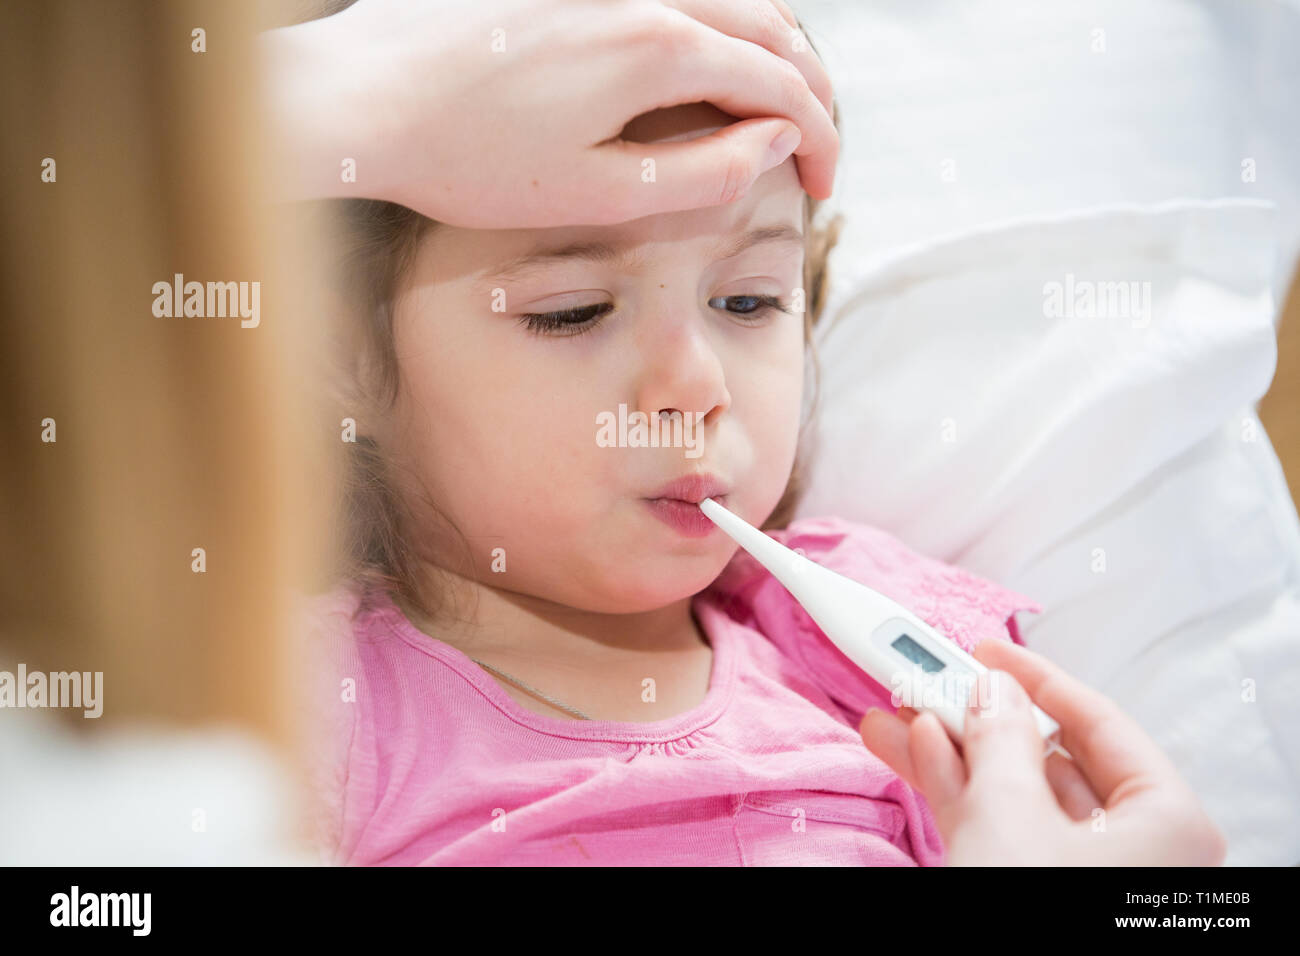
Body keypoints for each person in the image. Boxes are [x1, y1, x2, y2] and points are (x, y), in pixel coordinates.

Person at [270, 0, 1227, 866]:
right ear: (345, 349)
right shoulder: (301, 708)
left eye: (747, 299)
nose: (697, 384)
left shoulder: (880, 665)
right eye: (572, 310)